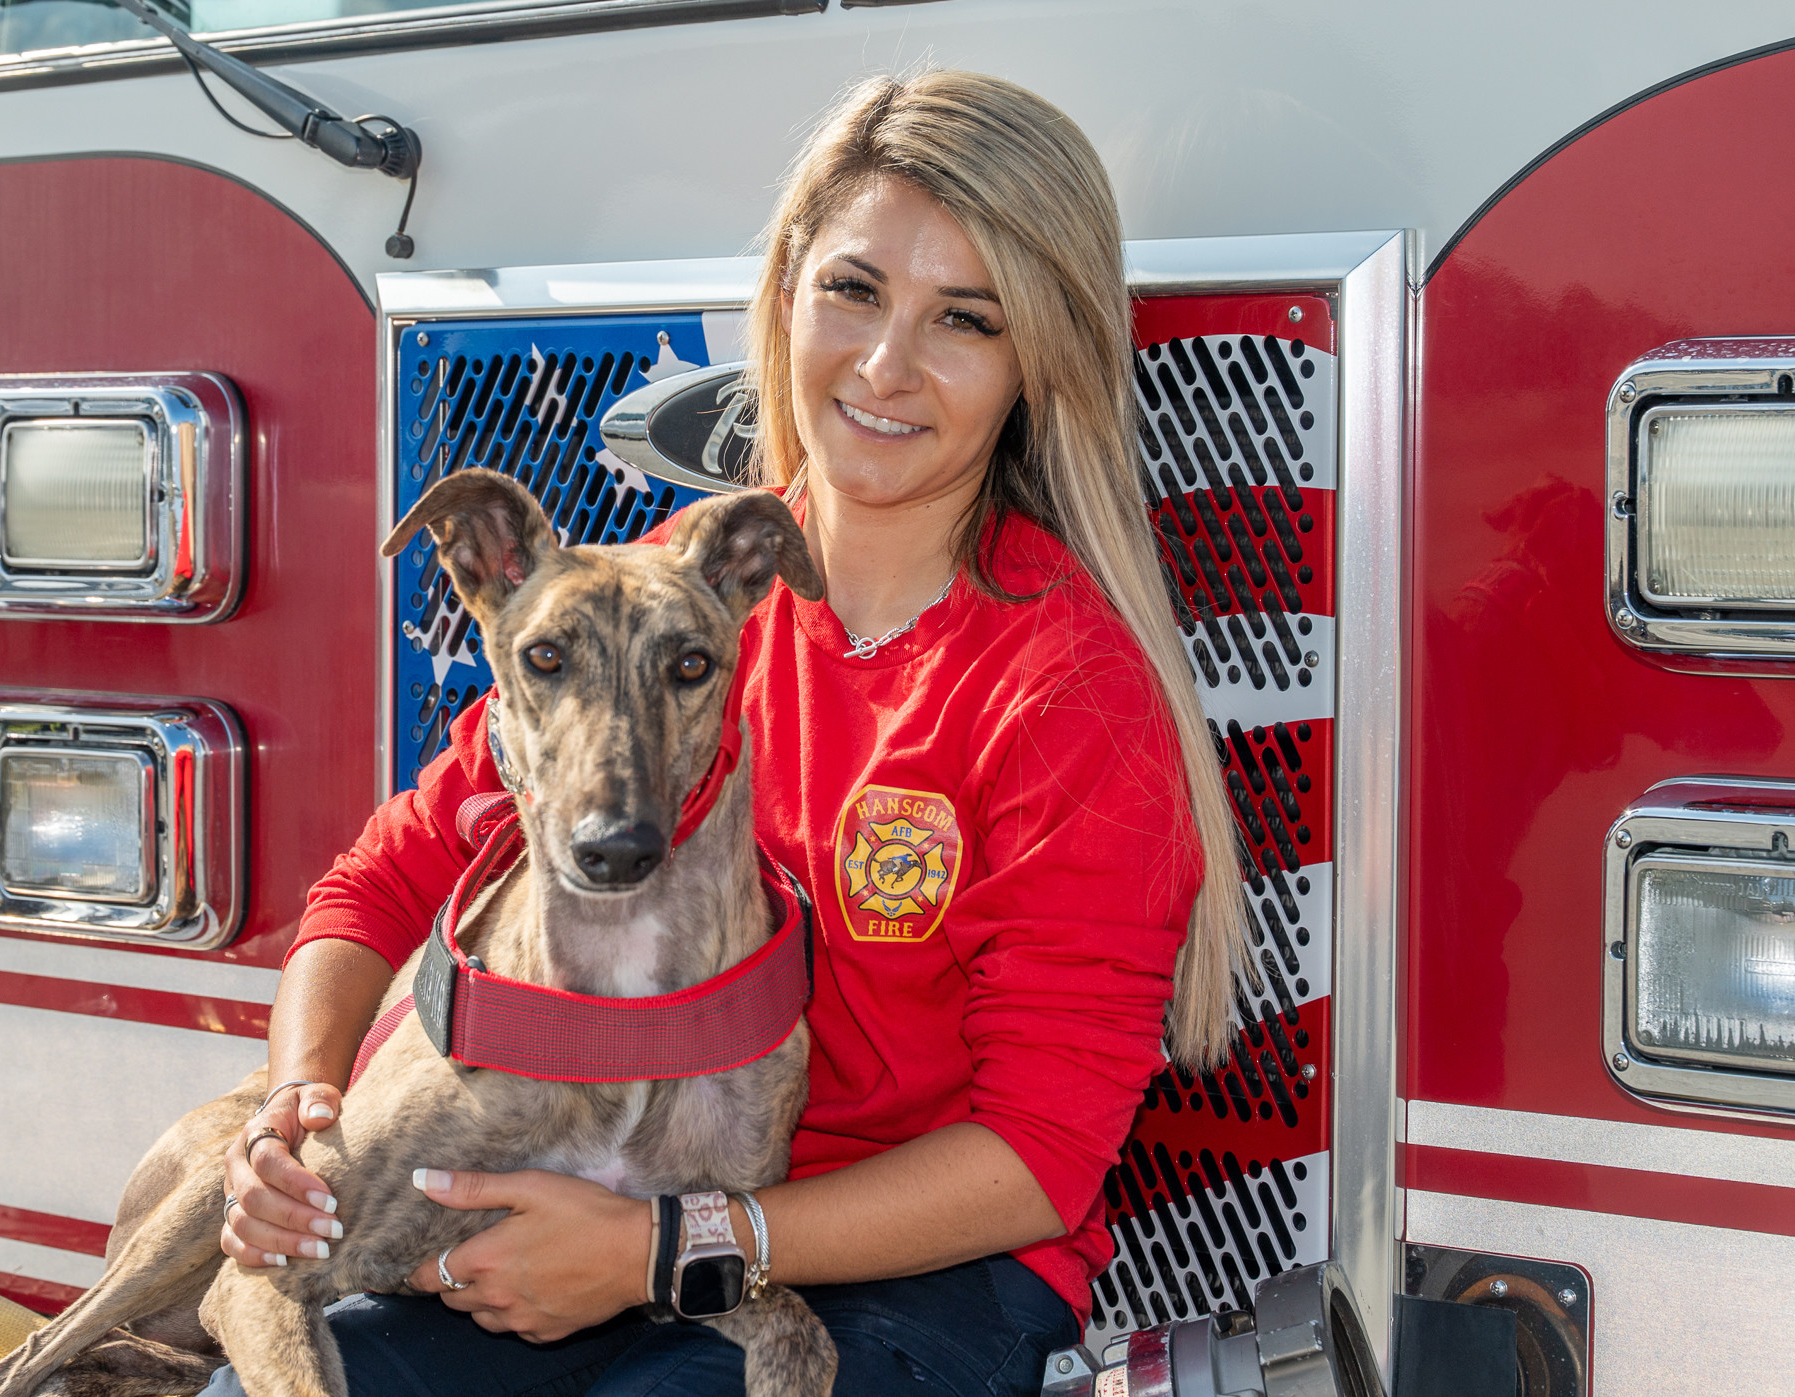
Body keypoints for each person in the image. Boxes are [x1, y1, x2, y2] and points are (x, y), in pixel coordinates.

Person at [216, 70, 1249, 1397]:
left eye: (964, 321)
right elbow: (388, 878)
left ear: (1035, 360)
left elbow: (1038, 1155)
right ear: (788, 292)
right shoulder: (659, 601)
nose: (884, 366)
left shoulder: (1069, 692)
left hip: (911, 1271)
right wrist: (295, 1116)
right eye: (855, 290)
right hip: (593, 1207)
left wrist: (672, 1247)